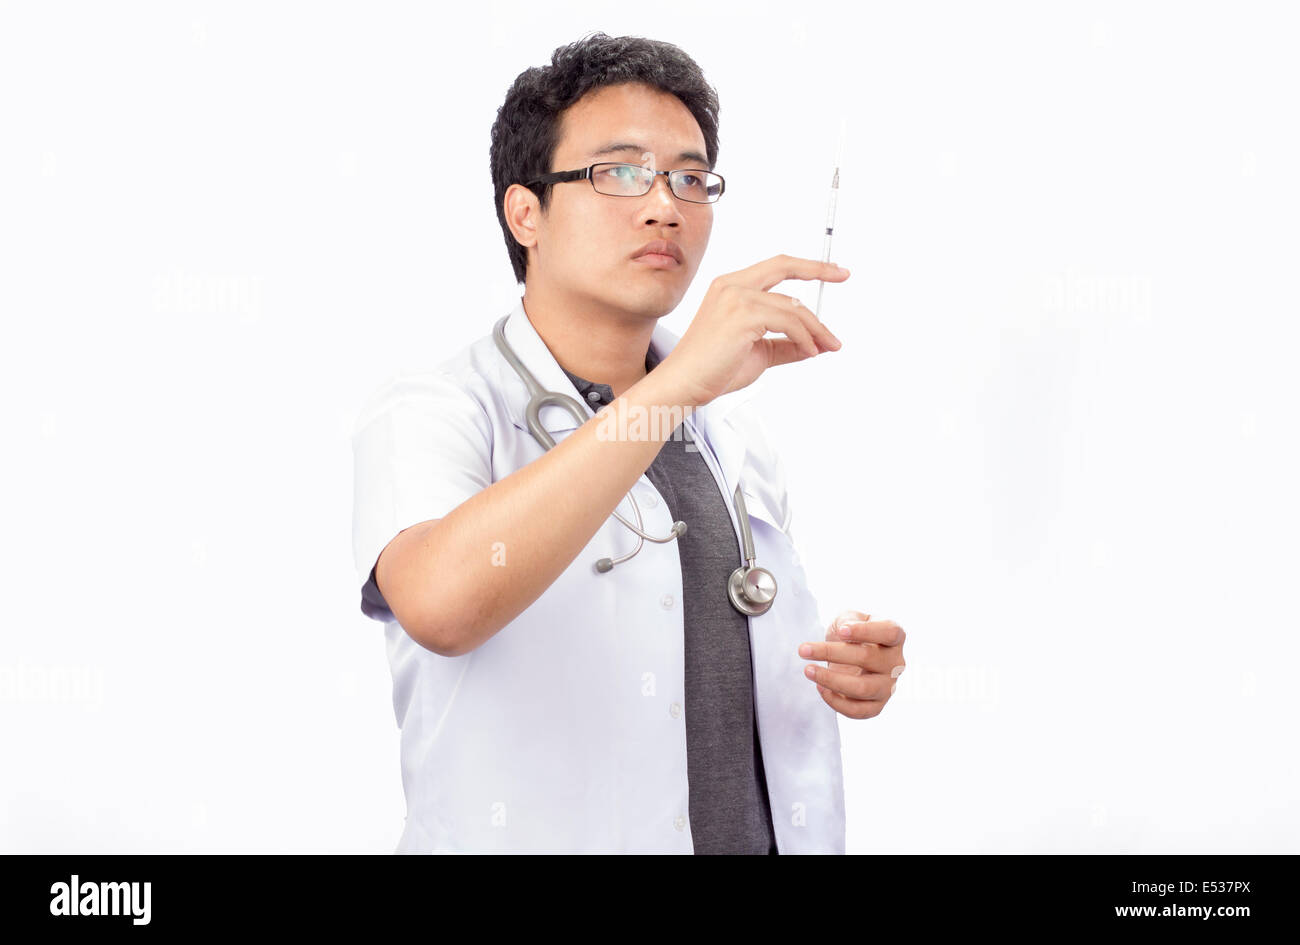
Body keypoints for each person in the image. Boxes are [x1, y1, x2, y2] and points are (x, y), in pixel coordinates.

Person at [350, 32, 906, 854]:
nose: (665, 205)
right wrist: (675, 386)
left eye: (691, 177)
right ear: (525, 211)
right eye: (619, 171)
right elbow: (439, 605)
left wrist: (843, 674)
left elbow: (707, 680)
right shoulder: (436, 408)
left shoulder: (730, 433)